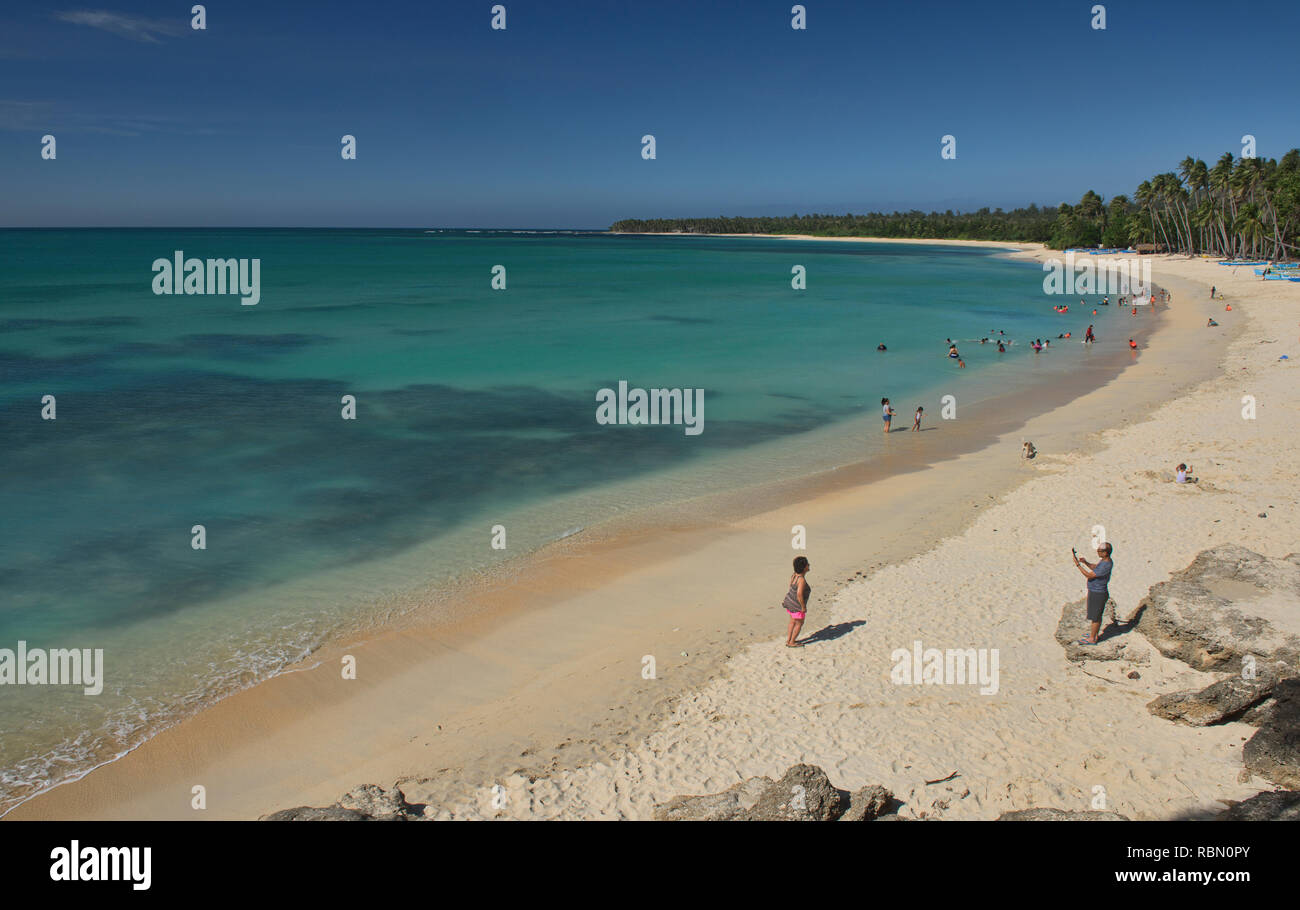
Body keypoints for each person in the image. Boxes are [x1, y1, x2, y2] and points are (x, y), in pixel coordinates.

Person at [1073, 542, 1114, 645]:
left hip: (1098, 593)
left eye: (1100, 551)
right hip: (1095, 591)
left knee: (1096, 617)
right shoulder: (1104, 561)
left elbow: (1089, 575)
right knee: (1094, 615)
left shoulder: (1106, 564)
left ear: (1106, 553)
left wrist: (1078, 565)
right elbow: (1095, 568)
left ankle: (1092, 639)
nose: (1098, 552)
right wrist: (1085, 562)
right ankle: (1093, 634)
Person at [782, 556, 812, 647]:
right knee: (799, 623)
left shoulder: (794, 575)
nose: (809, 565)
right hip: (796, 605)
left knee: (792, 621)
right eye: (807, 564)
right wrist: (803, 607)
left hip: (790, 602)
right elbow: (799, 594)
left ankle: (788, 640)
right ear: (804, 568)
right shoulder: (801, 580)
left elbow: (790, 586)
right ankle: (792, 642)